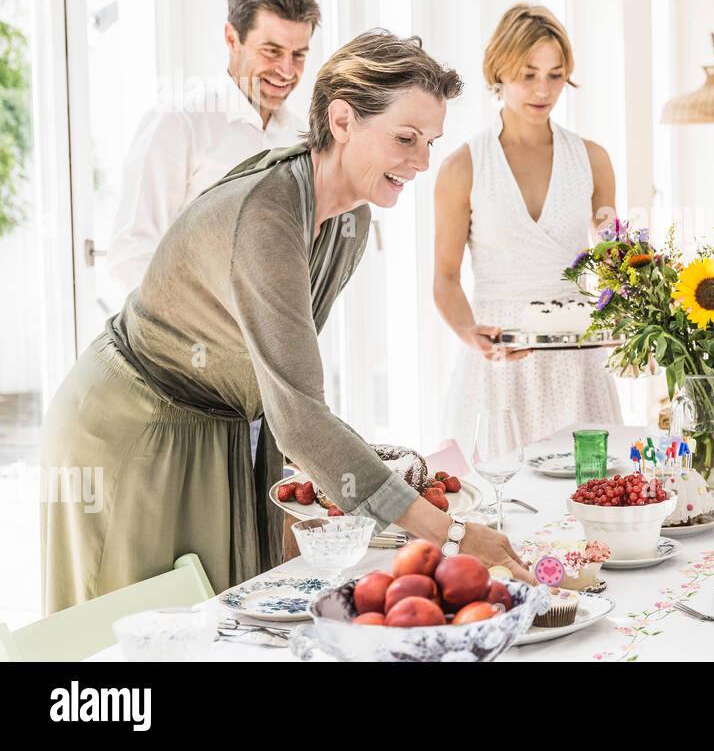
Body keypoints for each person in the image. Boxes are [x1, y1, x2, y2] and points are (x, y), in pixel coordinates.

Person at [41, 31, 531, 614]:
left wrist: (334, 477)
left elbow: (285, 385)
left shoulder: (351, 223)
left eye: (430, 142)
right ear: (343, 121)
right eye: (406, 138)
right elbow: (299, 412)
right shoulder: (265, 216)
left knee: (225, 618)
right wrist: (449, 535)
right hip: (133, 427)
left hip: (216, 425)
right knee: (135, 633)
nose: (423, 162)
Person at [434, 5, 622, 455]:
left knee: (592, 498)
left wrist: (638, 320)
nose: (544, 90)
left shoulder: (593, 160)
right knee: (501, 508)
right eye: (528, 74)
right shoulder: (462, 166)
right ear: (499, 71)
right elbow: (444, 278)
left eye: (556, 75)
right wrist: (469, 332)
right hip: (500, 365)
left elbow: (618, 263)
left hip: (579, 362)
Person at [107, 0, 320, 294]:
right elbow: (132, 257)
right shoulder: (179, 123)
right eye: (271, 51)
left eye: (299, 55)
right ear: (232, 39)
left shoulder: (301, 137)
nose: (286, 70)